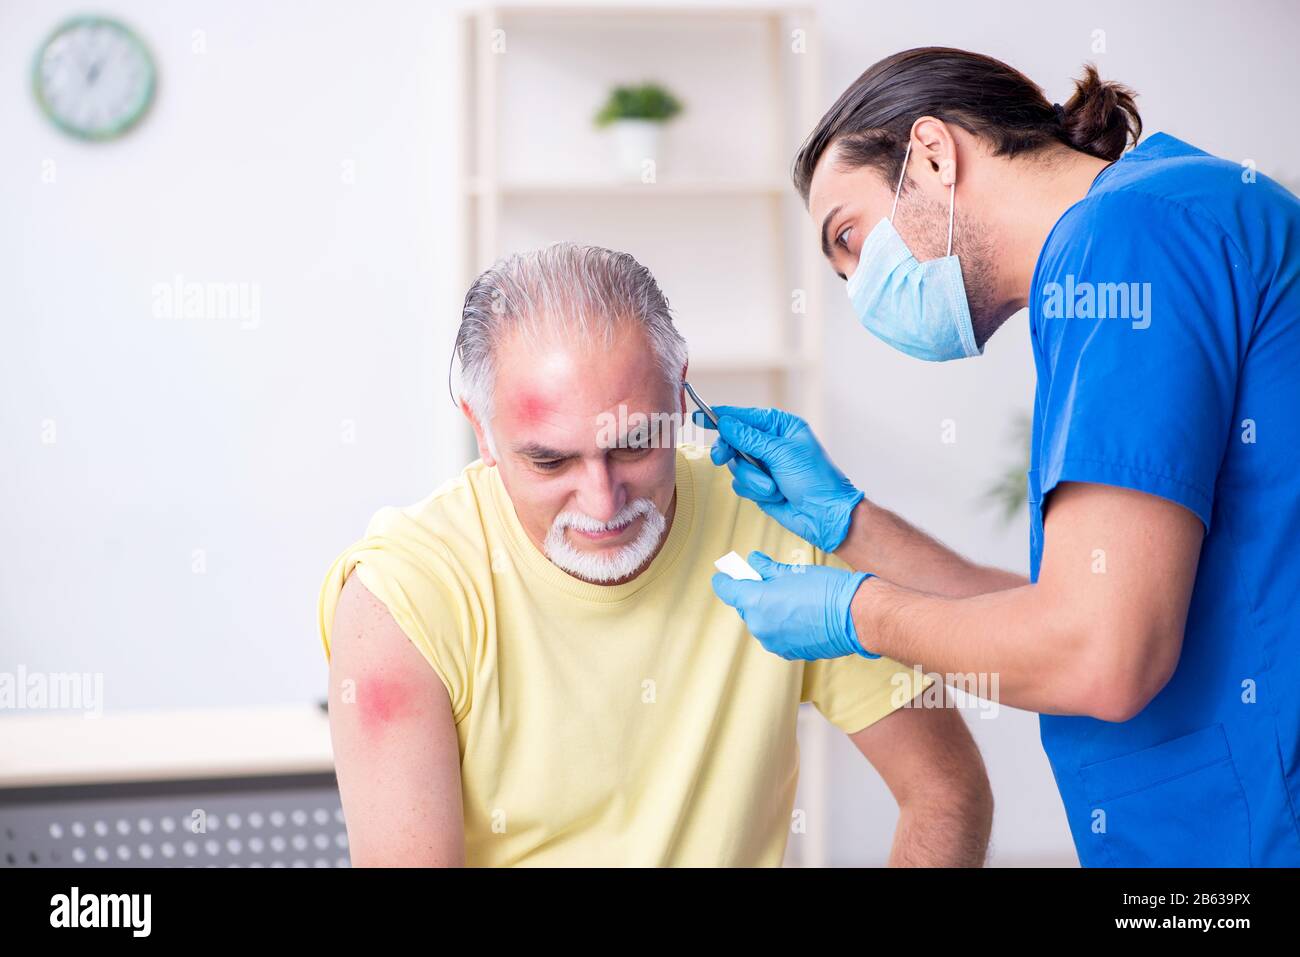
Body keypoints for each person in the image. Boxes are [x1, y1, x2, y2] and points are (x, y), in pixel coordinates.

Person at [699, 47, 1300, 867]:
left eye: (851, 239)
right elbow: (1071, 612)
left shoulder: (1130, 240)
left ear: (936, 155)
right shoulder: (1128, 242)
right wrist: (846, 521)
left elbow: (1099, 654)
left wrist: (856, 615)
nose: (861, 292)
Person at [317, 242, 992, 867]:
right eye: (549, 460)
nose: (603, 502)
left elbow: (944, 791)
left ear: (679, 395)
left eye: (635, 444)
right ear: (483, 432)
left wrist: (852, 527)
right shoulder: (401, 600)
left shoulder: (779, 522)